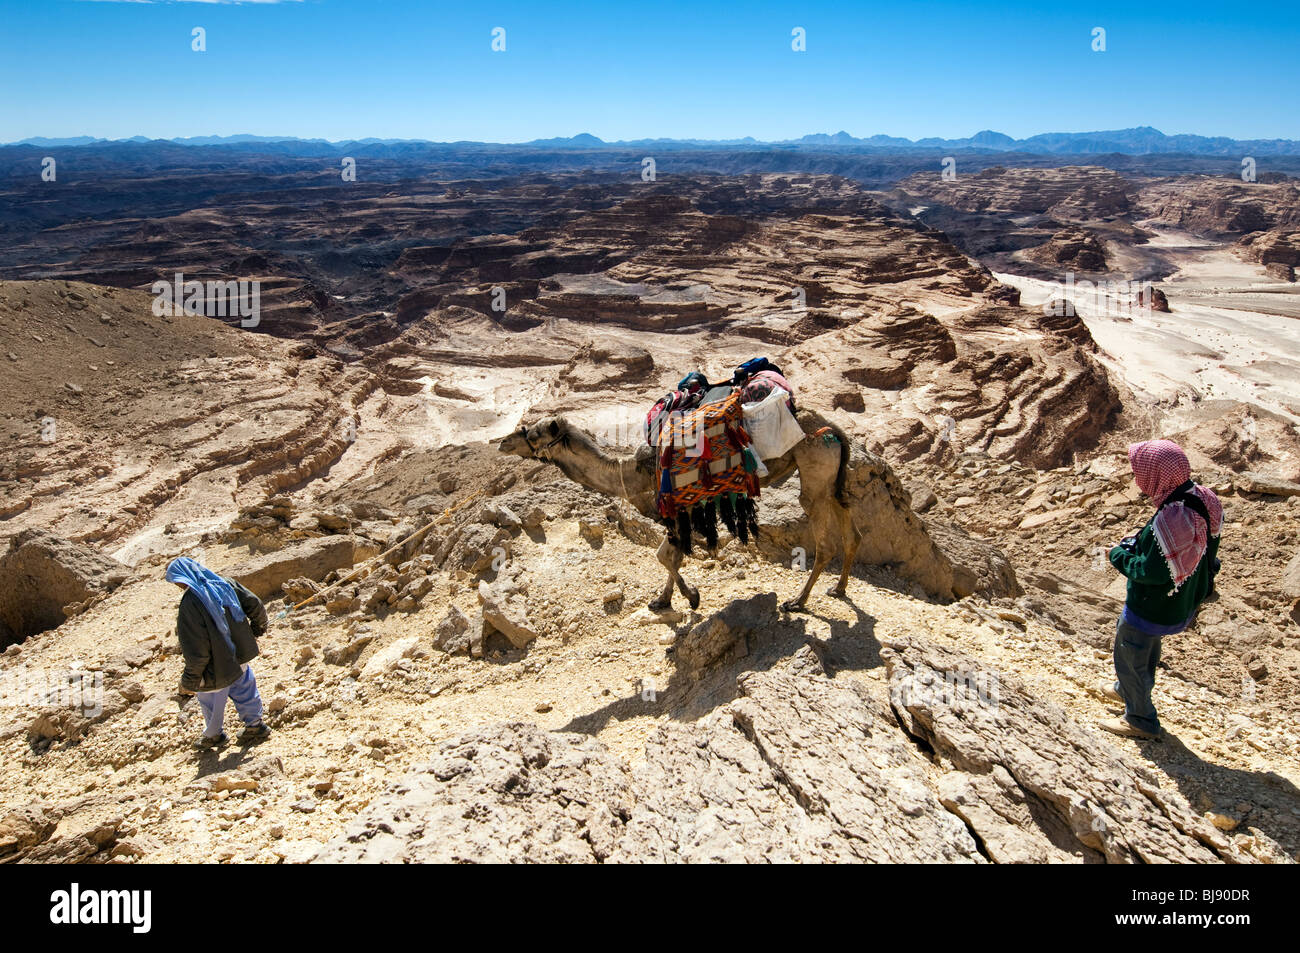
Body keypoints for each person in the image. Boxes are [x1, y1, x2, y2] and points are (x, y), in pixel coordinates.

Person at [1101, 440, 1222, 740]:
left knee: (1131, 650)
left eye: (1141, 472)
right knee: (1144, 649)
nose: (1137, 478)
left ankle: (1140, 719)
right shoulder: (1204, 498)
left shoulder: (1172, 518)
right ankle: (1125, 688)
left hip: (1153, 607)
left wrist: (1117, 554)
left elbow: (1150, 572)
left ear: (1156, 475)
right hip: (1183, 601)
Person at [165, 556, 271, 749]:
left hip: (216, 663)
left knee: (210, 697)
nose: (178, 585)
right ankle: (255, 725)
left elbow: (196, 648)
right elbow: (254, 604)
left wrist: (191, 678)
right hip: (239, 653)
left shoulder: (190, 604)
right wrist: (256, 629)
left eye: (177, 580)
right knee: (244, 686)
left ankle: (214, 735)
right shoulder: (224, 583)